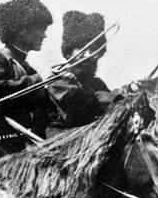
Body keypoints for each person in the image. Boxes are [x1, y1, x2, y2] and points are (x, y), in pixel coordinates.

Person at [0, 0, 54, 154]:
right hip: (6, 150)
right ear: (22, 30)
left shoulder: (26, 67)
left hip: (31, 145)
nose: (44, 35)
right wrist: (38, 81)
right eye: (40, 28)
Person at [45, 10, 111, 138]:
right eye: (81, 48)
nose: (88, 55)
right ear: (69, 52)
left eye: (93, 49)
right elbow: (84, 105)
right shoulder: (57, 82)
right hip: (63, 143)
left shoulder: (97, 84)